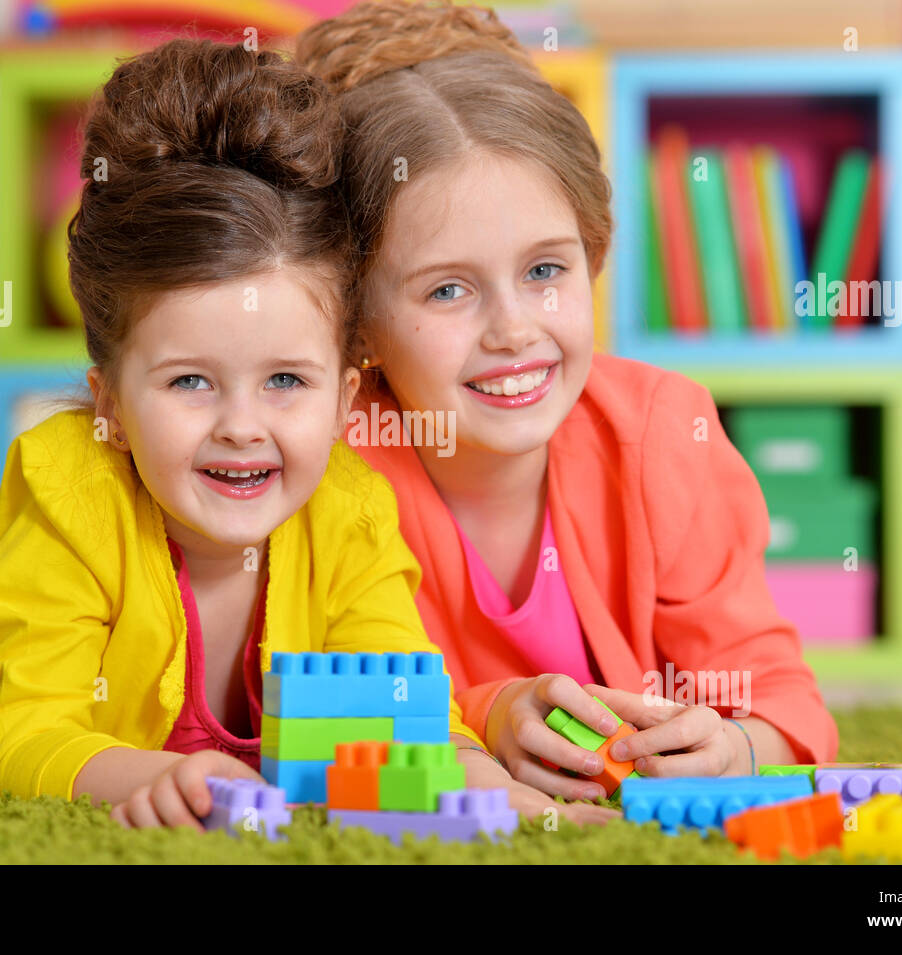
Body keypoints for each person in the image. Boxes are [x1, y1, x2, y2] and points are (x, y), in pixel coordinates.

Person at [0, 37, 553, 831]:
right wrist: (164, 773)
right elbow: (24, 738)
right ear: (108, 404)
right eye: (190, 382)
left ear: (347, 399)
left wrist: (477, 774)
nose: (242, 427)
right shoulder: (69, 489)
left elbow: (404, 703)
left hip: (20, 584)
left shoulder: (354, 514)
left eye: (285, 381)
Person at [295, 0, 840, 802]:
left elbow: (782, 701)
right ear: (355, 316)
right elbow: (322, 709)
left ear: (591, 255)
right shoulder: (332, 463)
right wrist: (492, 711)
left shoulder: (662, 435)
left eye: (545, 271)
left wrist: (735, 745)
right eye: (448, 289)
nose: (514, 330)